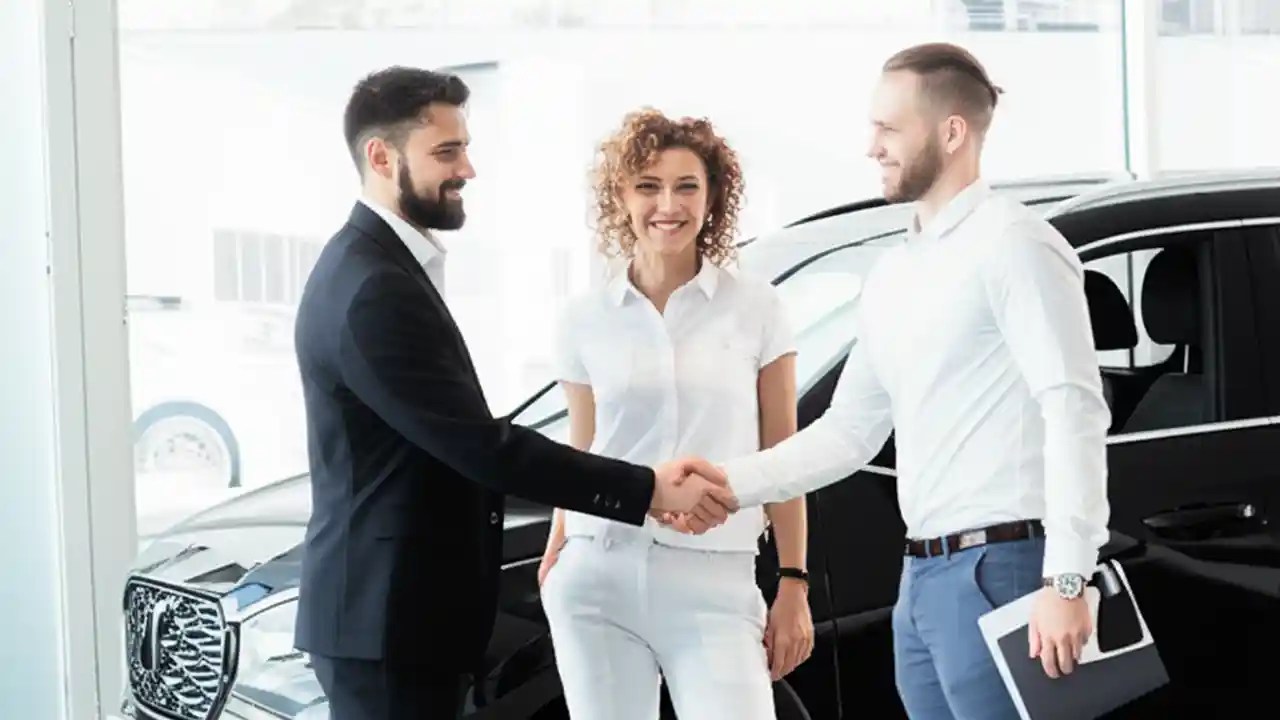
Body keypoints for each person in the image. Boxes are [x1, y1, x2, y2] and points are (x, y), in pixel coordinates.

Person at [291, 66, 738, 720]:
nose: (467, 168)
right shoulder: (372, 287)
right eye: (447, 151)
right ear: (381, 157)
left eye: (465, 148)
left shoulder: (379, 267)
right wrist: (648, 490)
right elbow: (483, 449)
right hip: (387, 623)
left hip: (396, 620)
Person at [681, 43, 1111, 719]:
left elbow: (1074, 410)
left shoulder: (1016, 243)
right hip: (922, 580)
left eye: (888, 128)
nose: (871, 147)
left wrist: (1068, 577)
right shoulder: (896, 273)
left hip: (1009, 570)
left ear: (951, 132)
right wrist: (728, 484)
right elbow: (851, 431)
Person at [535, 108, 815, 719]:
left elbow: (783, 456)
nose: (669, 204)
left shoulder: (759, 309)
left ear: (713, 198)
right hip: (597, 571)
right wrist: (557, 552)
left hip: (716, 578)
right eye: (648, 186)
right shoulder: (582, 317)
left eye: (687, 186)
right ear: (622, 198)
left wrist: (793, 580)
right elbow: (582, 446)